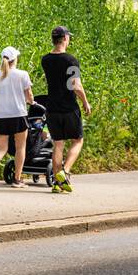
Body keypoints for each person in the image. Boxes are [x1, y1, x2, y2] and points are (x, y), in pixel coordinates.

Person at [41, 25, 91, 194]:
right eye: (68, 37)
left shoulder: (45, 60)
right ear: (64, 39)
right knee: (78, 140)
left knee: (58, 144)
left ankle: (57, 183)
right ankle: (65, 171)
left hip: (52, 108)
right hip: (69, 107)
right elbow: (76, 85)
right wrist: (85, 102)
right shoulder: (70, 60)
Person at [0, 46, 35, 188]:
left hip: (0, 115)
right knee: (20, 147)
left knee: (1, 148)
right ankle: (17, 180)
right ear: (15, 59)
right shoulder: (22, 74)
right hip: (18, 114)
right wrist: (31, 102)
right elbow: (29, 95)